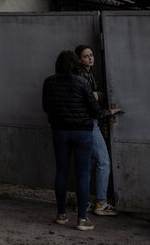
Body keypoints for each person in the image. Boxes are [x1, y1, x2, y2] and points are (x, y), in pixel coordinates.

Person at [42, 50, 103, 231]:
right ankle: (82, 220)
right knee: (82, 173)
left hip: (59, 131)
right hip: (82, 133)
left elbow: (46, 107)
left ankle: (61, 214)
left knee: (61, 171)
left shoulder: (49, 82)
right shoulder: (83, 82)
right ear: (76, 64)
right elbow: (95, 110)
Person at [75, 44, 122, 216]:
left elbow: (94, 97)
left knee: (89, 163)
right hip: (90, 123)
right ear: (79, 59)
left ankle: (84, 201)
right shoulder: (81, 75)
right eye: (86, 56)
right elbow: (90, 101)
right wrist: (107, 110)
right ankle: (101, 202)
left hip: (85, 123)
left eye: (91, 55)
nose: (90, 58)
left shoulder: (87, 73)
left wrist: (98, 95)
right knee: (103, 161)